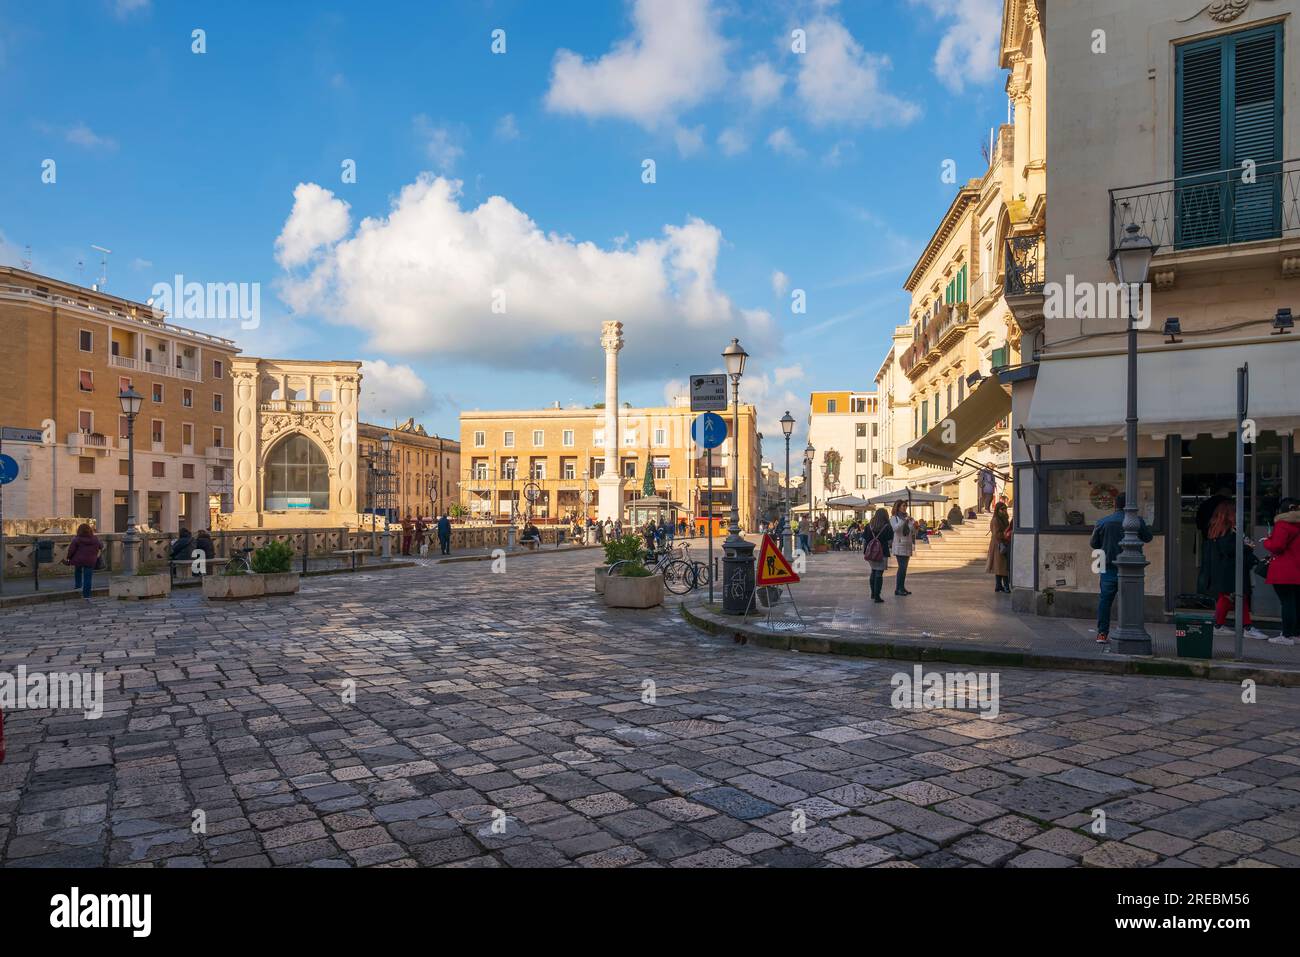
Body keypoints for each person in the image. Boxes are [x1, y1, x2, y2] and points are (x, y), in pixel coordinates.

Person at [1089, 493, 1153, 643]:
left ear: (1115, 505)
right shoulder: (1137, 521)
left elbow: (1094, 544)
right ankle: (1131, 630)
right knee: (1131, 601)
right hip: (1131, 567)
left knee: (1105, 601)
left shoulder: (1103, 522)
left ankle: (1102, 633)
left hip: (1108, 565)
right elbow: (1148, 538)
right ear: (1130, 506)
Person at [1198, 501, 1267, 640]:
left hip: (1223, 570)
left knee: (1230, 597)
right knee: (1238, 596)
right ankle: (1243, 627)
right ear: (1229, 515)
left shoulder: (1215, 529)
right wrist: (1248, 547)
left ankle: (1220, 625)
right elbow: (1231, 549)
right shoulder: (1229, 531)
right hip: (1232, 570)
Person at [1260, 497, 1300, 645]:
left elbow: (1277, 546)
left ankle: (1287, 635)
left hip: (1284, 570)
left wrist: (1266, 541)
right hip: (1298, 568)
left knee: (1287, 602)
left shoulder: (1283, 524)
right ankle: (1296, 633)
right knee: (1296, 602)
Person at [64, 523, 102, 601]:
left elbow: (71, 550)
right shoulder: (95, 538)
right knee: (88, 578)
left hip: (79, 560)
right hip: (90, 560)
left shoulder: (77, 539)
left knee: (78, 570)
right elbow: (101, 546)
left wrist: (68, 557)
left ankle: (78, 585)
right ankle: (87, 595)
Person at [863, 508, 894, 603]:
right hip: (882, 552)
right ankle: (877, 596)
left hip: (871, 552)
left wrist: (865, 550)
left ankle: (873, 593)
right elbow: (890, 541)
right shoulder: (887, 526)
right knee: (879, 573)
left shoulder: (868, 526)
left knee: (873, 571)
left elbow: (864, 539)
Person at [987, 501, 1012, 594]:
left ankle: (998, 586)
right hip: (998, 545)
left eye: (1005, 508)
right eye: (1002, 509)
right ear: (998, 510)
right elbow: (996, 534)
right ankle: (1005, 586)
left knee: (1000, 567)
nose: (1004, 511)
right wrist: (1006, 534)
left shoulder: (1005, 518)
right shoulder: (995, 520)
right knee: (1002, 567)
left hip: (1004, 543)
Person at [890, 501, 914, 596]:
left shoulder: (907, 518)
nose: (905, 508)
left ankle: (901, 587)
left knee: (904, 568)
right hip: (899, 545)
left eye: (906, 506)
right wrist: (903, 520)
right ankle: (898, 589)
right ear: (898, 507)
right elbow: (895, 529)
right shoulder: (894, 518)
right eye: (903, 506)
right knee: (902, 567)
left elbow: (911, 531)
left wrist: (912, 523)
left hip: (907, 544)